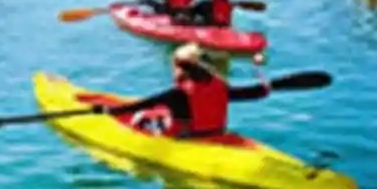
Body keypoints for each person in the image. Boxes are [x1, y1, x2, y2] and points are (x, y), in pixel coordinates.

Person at [91, 44, 271, 139]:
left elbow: (144, 104)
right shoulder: (220, 86)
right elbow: (252, 94)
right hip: (218, 133)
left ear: (179, 69)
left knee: (140, 118)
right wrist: (264, 88)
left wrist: (109, 111)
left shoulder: (178, 94)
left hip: (188, 138)